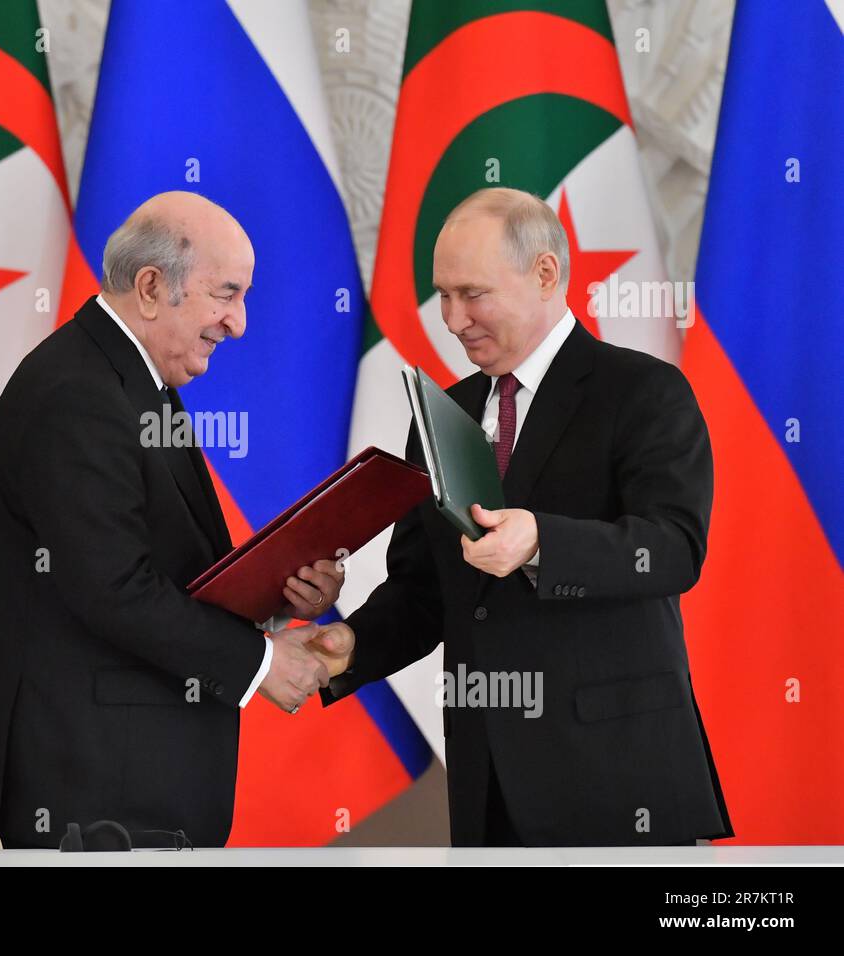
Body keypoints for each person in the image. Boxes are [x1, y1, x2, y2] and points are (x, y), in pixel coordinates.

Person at [312, 187, 733, 846]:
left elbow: (674, 547)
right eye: (442, 295)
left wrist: (541, 542)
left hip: (618, 779)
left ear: (544, 274)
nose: (453, 319)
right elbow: (424, 591)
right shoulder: (441, 416)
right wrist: (348, 647)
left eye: (472, 293)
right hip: (488, 786)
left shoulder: (644, 392)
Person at [0, 191, 344, 848]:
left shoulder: (127, 380)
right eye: (226, 293)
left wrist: (274, 603)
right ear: (154, 286)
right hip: (92, 786)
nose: (239, 323)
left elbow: (167, 571)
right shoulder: (77, 393)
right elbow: (112, 588)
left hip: (128, 782)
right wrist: (256, 662)